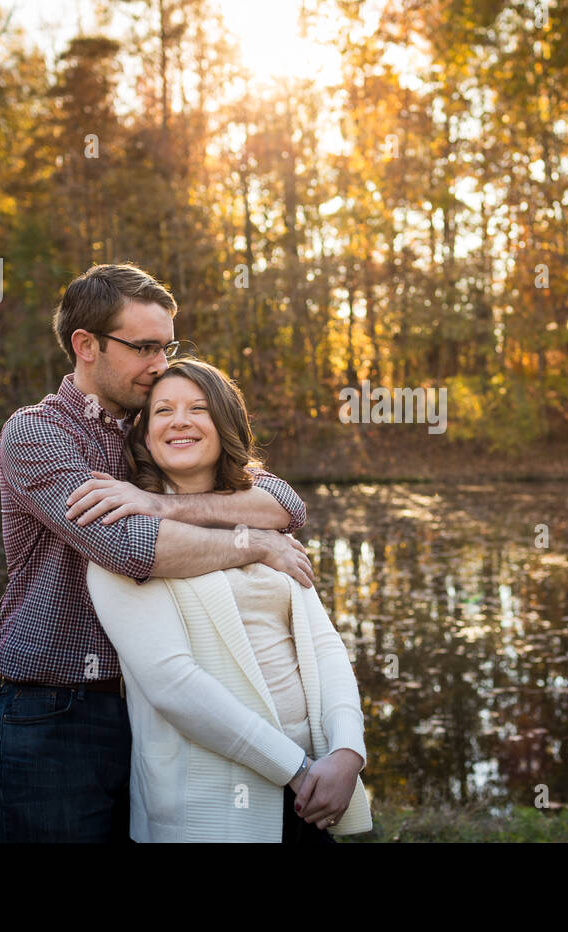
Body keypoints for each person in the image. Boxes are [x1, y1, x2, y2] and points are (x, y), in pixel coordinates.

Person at [0, 263, 314, 843]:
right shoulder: (37, 434)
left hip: (156, 714)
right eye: (143, 347)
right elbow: (127, 547)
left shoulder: (157, 420)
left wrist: (161, 503)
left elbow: (282, 502)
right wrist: (254, 544)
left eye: (166, 346)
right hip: (59, 713)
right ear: (85, 345)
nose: (160, 365)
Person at [86, 358, 372, 842]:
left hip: (313, 792)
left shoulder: (266, 522)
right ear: (145, 434)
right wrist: (294, 769)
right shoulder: (124, 537)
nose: (180, 420)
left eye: (198, 408)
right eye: (163, 411)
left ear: (224, 424)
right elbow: (173, 684)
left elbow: (323, 647)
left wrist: (346, 751)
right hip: (211, 804)